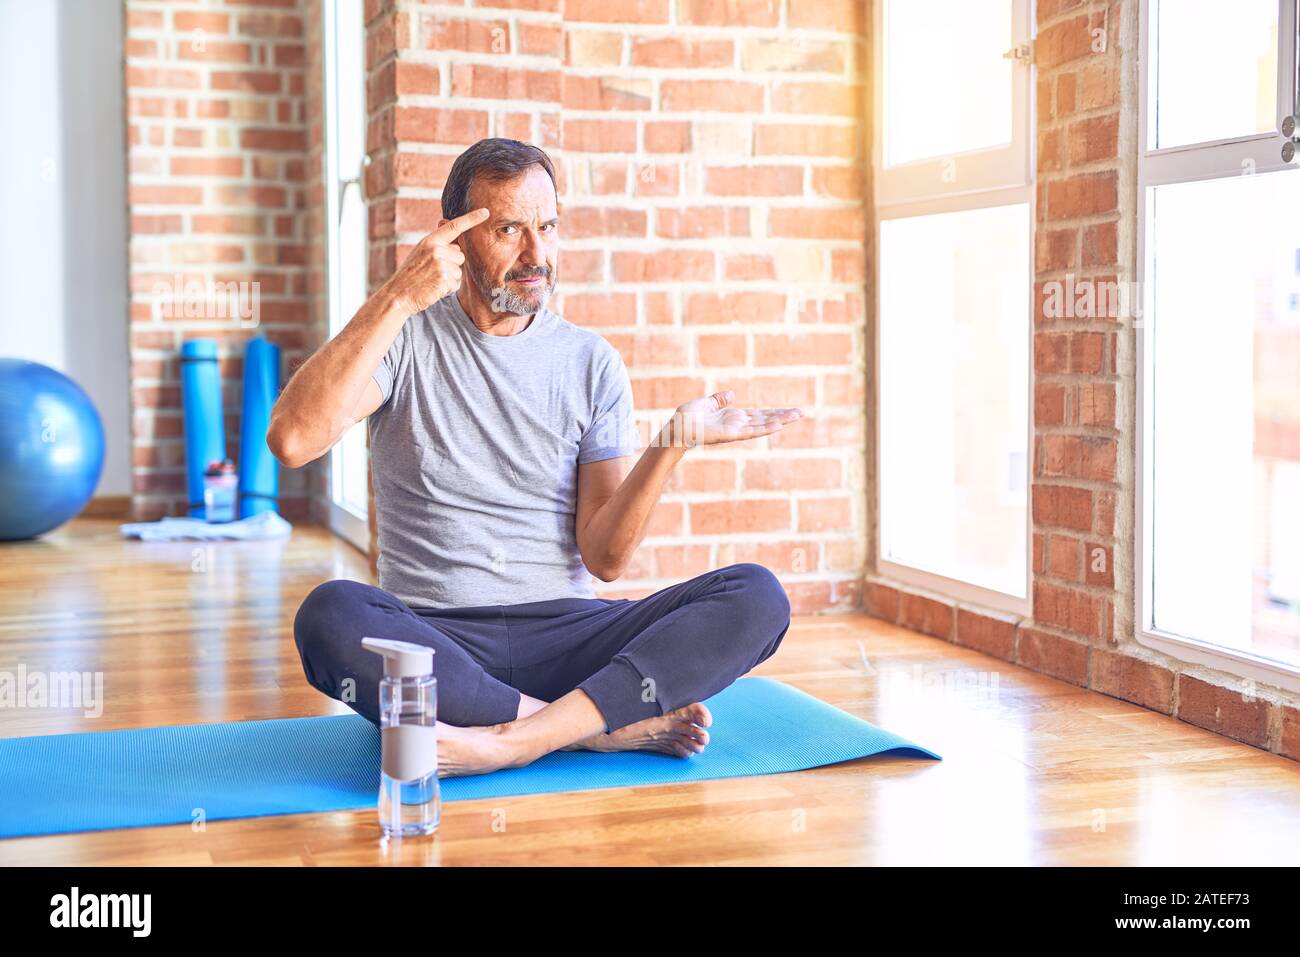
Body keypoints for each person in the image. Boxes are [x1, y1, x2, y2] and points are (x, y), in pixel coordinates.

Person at [269, 138, 806, 777]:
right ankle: (587, 730)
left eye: (547, 228)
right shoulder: (404, 339)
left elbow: (605, 559)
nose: (536, 255)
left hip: (570, 636)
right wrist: (398, 298)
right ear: (456, 241)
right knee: (329, 615)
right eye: (509, 230)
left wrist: (672, 445)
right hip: (441, 641)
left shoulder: (589, 361)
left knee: (757, 596)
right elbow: (293, 440)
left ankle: (514, 738)